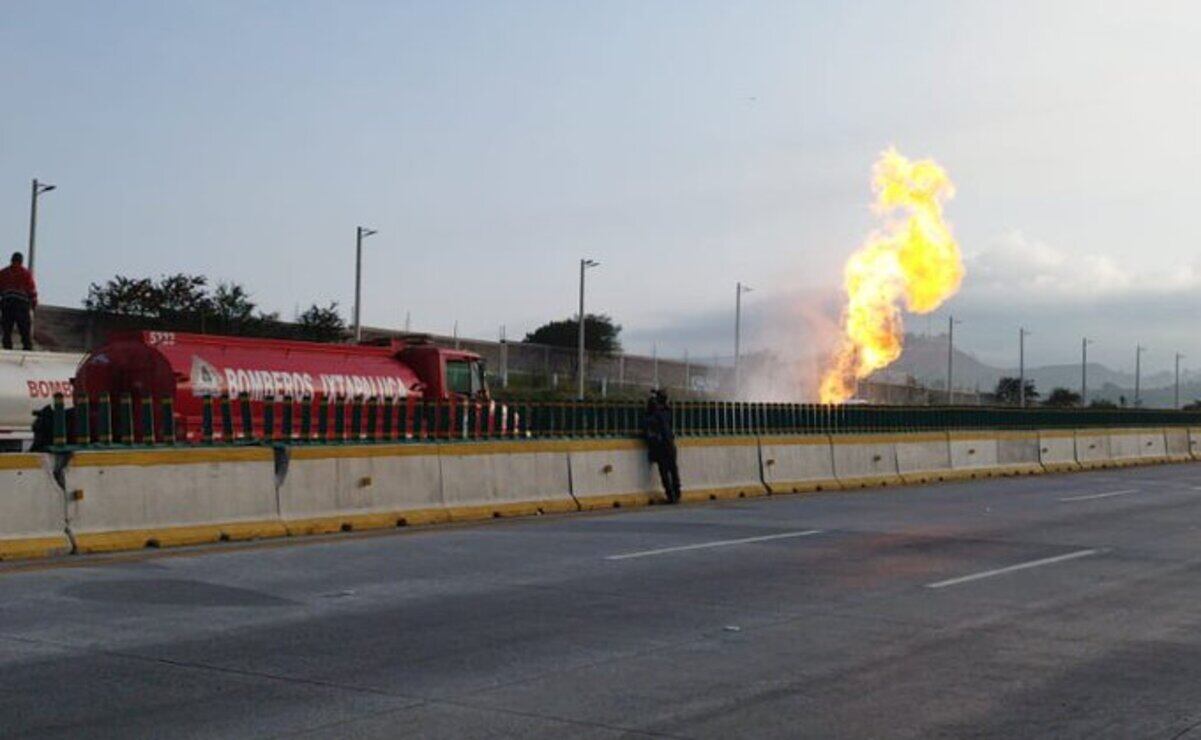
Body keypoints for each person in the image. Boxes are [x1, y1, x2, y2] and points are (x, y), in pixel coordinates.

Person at [644, 389, 682, 503]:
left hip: (661, 446)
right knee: (673, 469)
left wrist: (650, 405)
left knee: (664, 472)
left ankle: (671, 496)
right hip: (670, 444)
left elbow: (648, 421)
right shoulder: (668, 411)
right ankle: (677, 493)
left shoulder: (657, 414)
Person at [0, 252, 36, 351]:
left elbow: (31, 290)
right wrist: (33, 304)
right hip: (18, 304)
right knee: (19, 329)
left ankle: (17, 347)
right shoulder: (25, 274)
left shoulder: (4, 273)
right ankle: (25, 348)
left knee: (12, 329)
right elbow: (31, 290)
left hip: (12, 304)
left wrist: (33, 302)